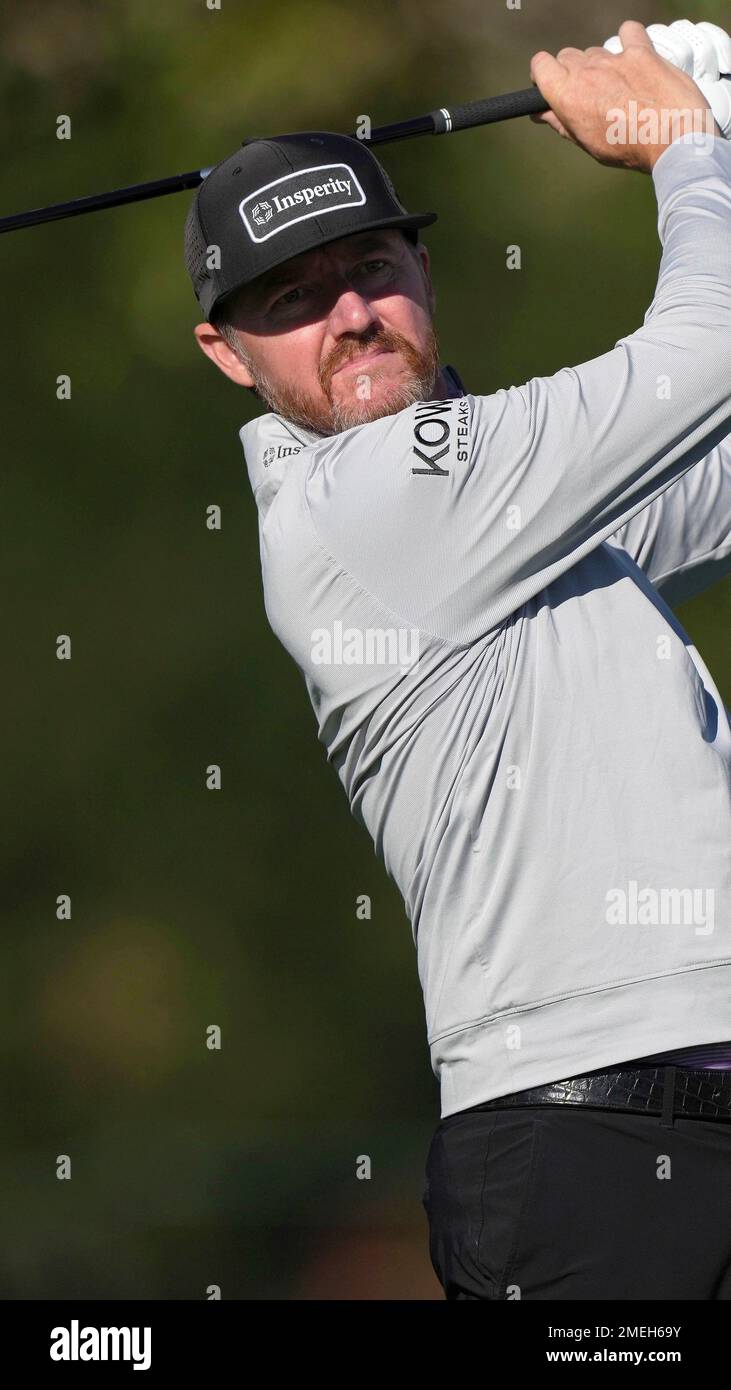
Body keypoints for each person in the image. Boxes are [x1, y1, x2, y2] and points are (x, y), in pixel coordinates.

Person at [185, 20, 731, 1298]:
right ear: (226, 352)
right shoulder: (363, 504)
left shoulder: (513, 509)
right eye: (290, 299)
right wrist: (680, 149)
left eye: (370, 267)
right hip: (580, 1148)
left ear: (424, 270)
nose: (352, 314)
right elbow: (698, 363)